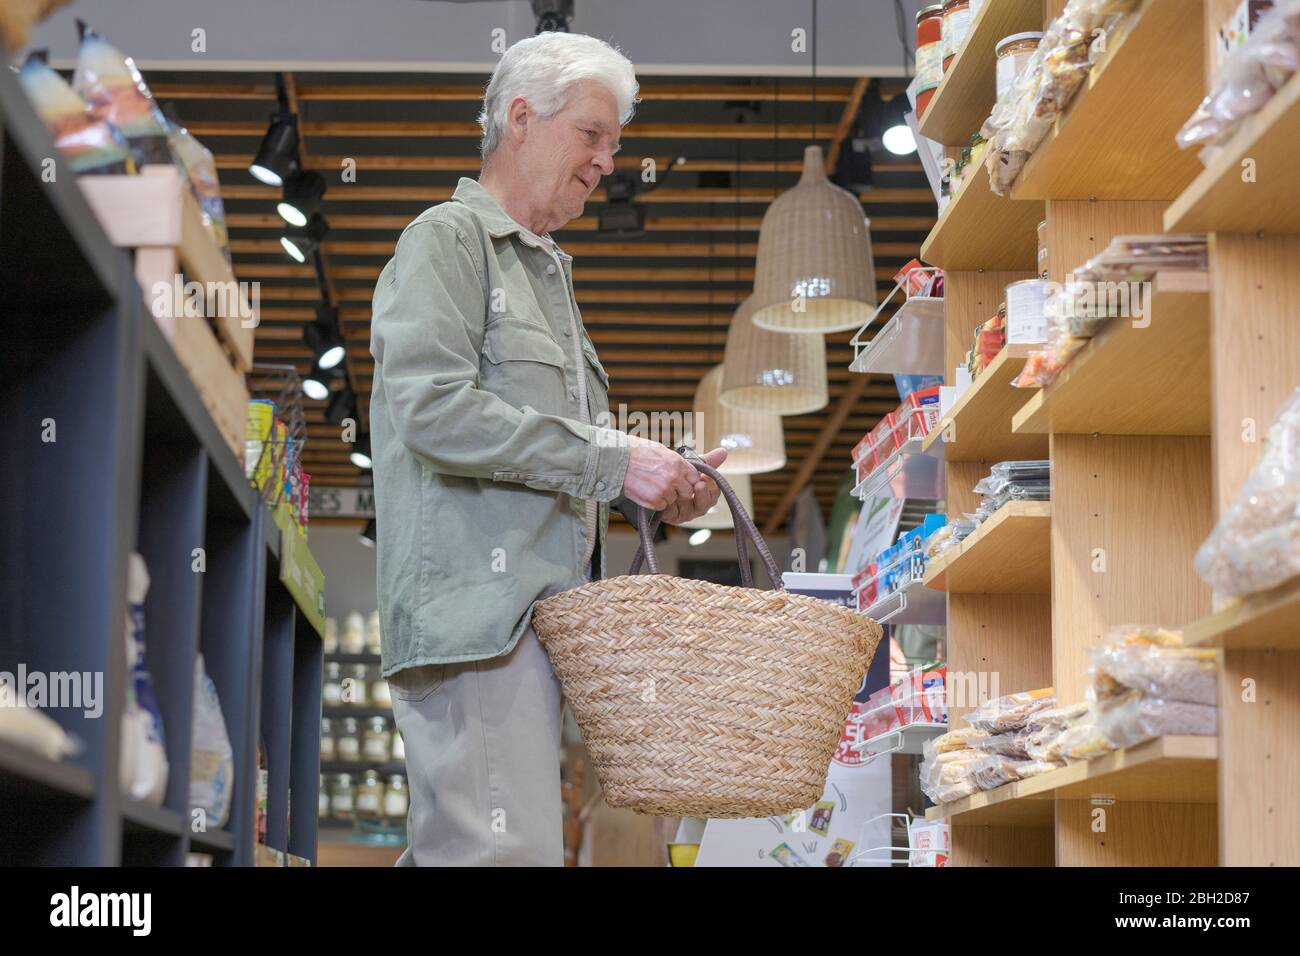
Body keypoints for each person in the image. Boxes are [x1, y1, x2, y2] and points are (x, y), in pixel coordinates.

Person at [368, 31, 727, 866]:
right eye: (592, 134)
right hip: (480, 625)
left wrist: (644, 482)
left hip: (544, 629)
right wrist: (612, 461)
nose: (608, 161)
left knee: (482, 852)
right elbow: (432, 410)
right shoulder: (448, 242)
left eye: (616, 144)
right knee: (502, 856)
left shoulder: (545, 279)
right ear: (520, 118)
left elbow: (547, 459)